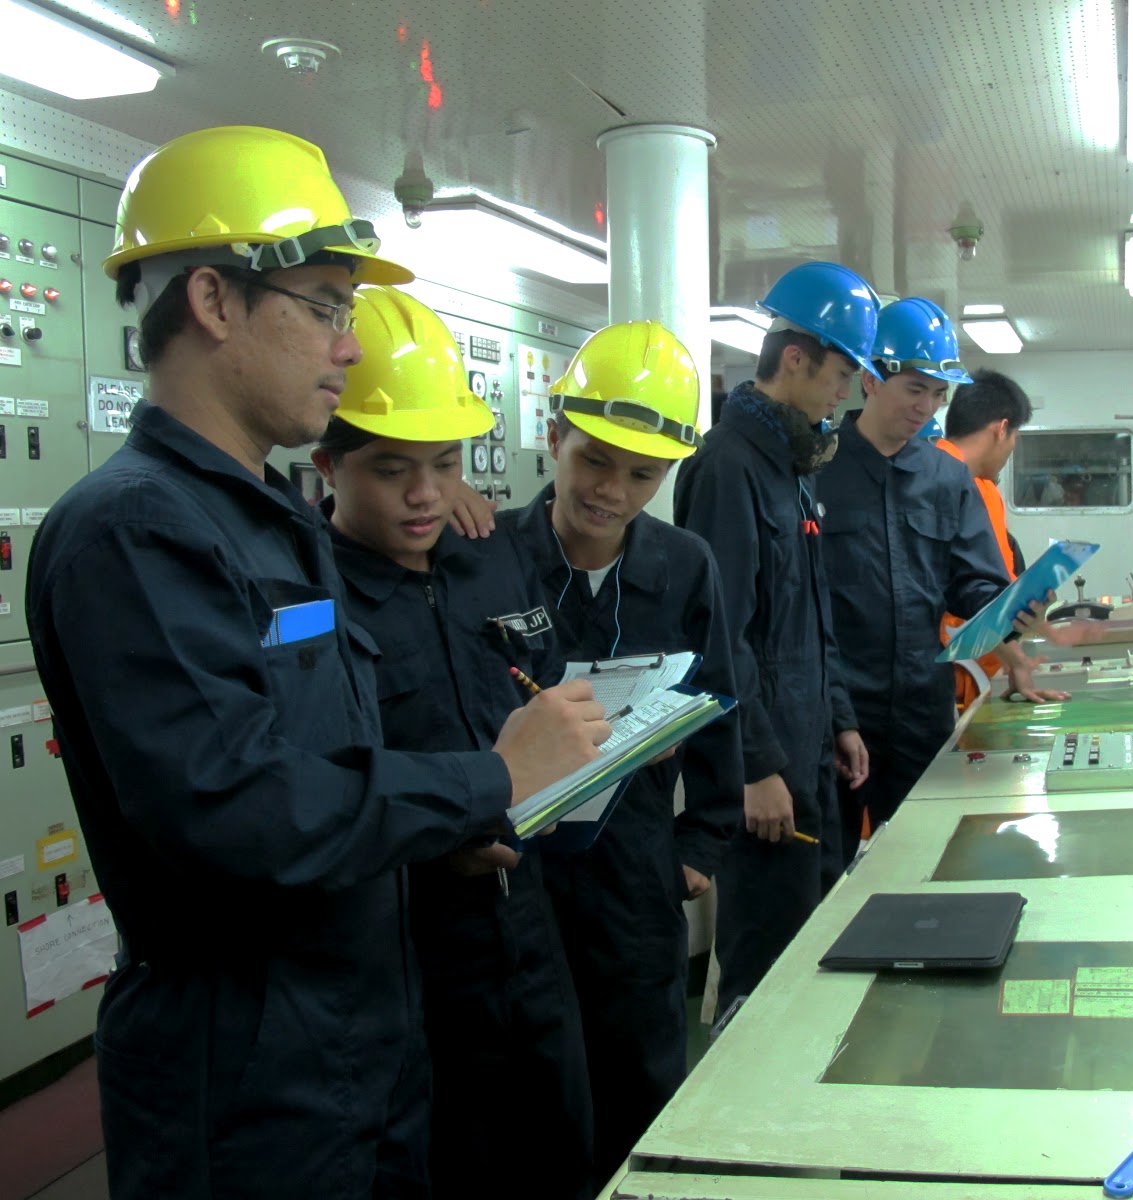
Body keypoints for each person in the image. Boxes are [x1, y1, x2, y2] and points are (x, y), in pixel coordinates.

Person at [24, 126, 610, 1199]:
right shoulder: (136, 531)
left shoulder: (270, 525)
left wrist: (437, 842)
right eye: (327, 307)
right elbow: (230, 803)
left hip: (359, 1036)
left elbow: (319, 761)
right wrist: (495, 777)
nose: (349, 345)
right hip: (247, 1074)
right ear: (212, 302)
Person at [312, 286, 595, 1200]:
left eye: (444, 462)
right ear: (329, 467)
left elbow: (544, 679)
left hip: (528, 921)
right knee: (454, 1164)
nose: (426, 494)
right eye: (392, 469)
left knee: (560, 1140)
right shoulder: (309, 598)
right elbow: (323, 785)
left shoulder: (486, 555)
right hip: (412, 944)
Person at [507, 319, 743, 1184]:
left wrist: (701, 842)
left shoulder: (686, 565)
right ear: (554, 436)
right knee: (534, 1099)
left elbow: (719, 701)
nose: (612, 489)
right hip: (514, 875)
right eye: (593, 460)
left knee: (643, 1078)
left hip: (635, 864)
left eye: (642, 474)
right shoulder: (488, 557)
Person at [674, 260, 877, 1017]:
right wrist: (752, 767)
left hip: (808, 753)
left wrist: (842, 718)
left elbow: (810, 616)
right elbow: (719, 638)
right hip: (766, 780)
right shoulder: (728, 468)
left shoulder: (793, 464)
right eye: (841, 372)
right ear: (795, 358)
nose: (848, 392)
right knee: (765, 972)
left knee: (812, 951)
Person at [817, 299, 1074, 859]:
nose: (927, 407)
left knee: (929, 857)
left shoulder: (947, 476)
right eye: (915, 388)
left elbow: (975, 586)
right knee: (824, 875)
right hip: (836, 712)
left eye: (938, 393)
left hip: (918, 708)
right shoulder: (818, 472)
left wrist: (1013, 617)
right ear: (869, 378)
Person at [935, 368, 1036, 709]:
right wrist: (1017, 658)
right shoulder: (974, 487)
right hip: (967, 675)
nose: (1008, 454)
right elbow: (986, 594)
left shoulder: (927, 469)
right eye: (1013, 440)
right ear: (1001, 428)